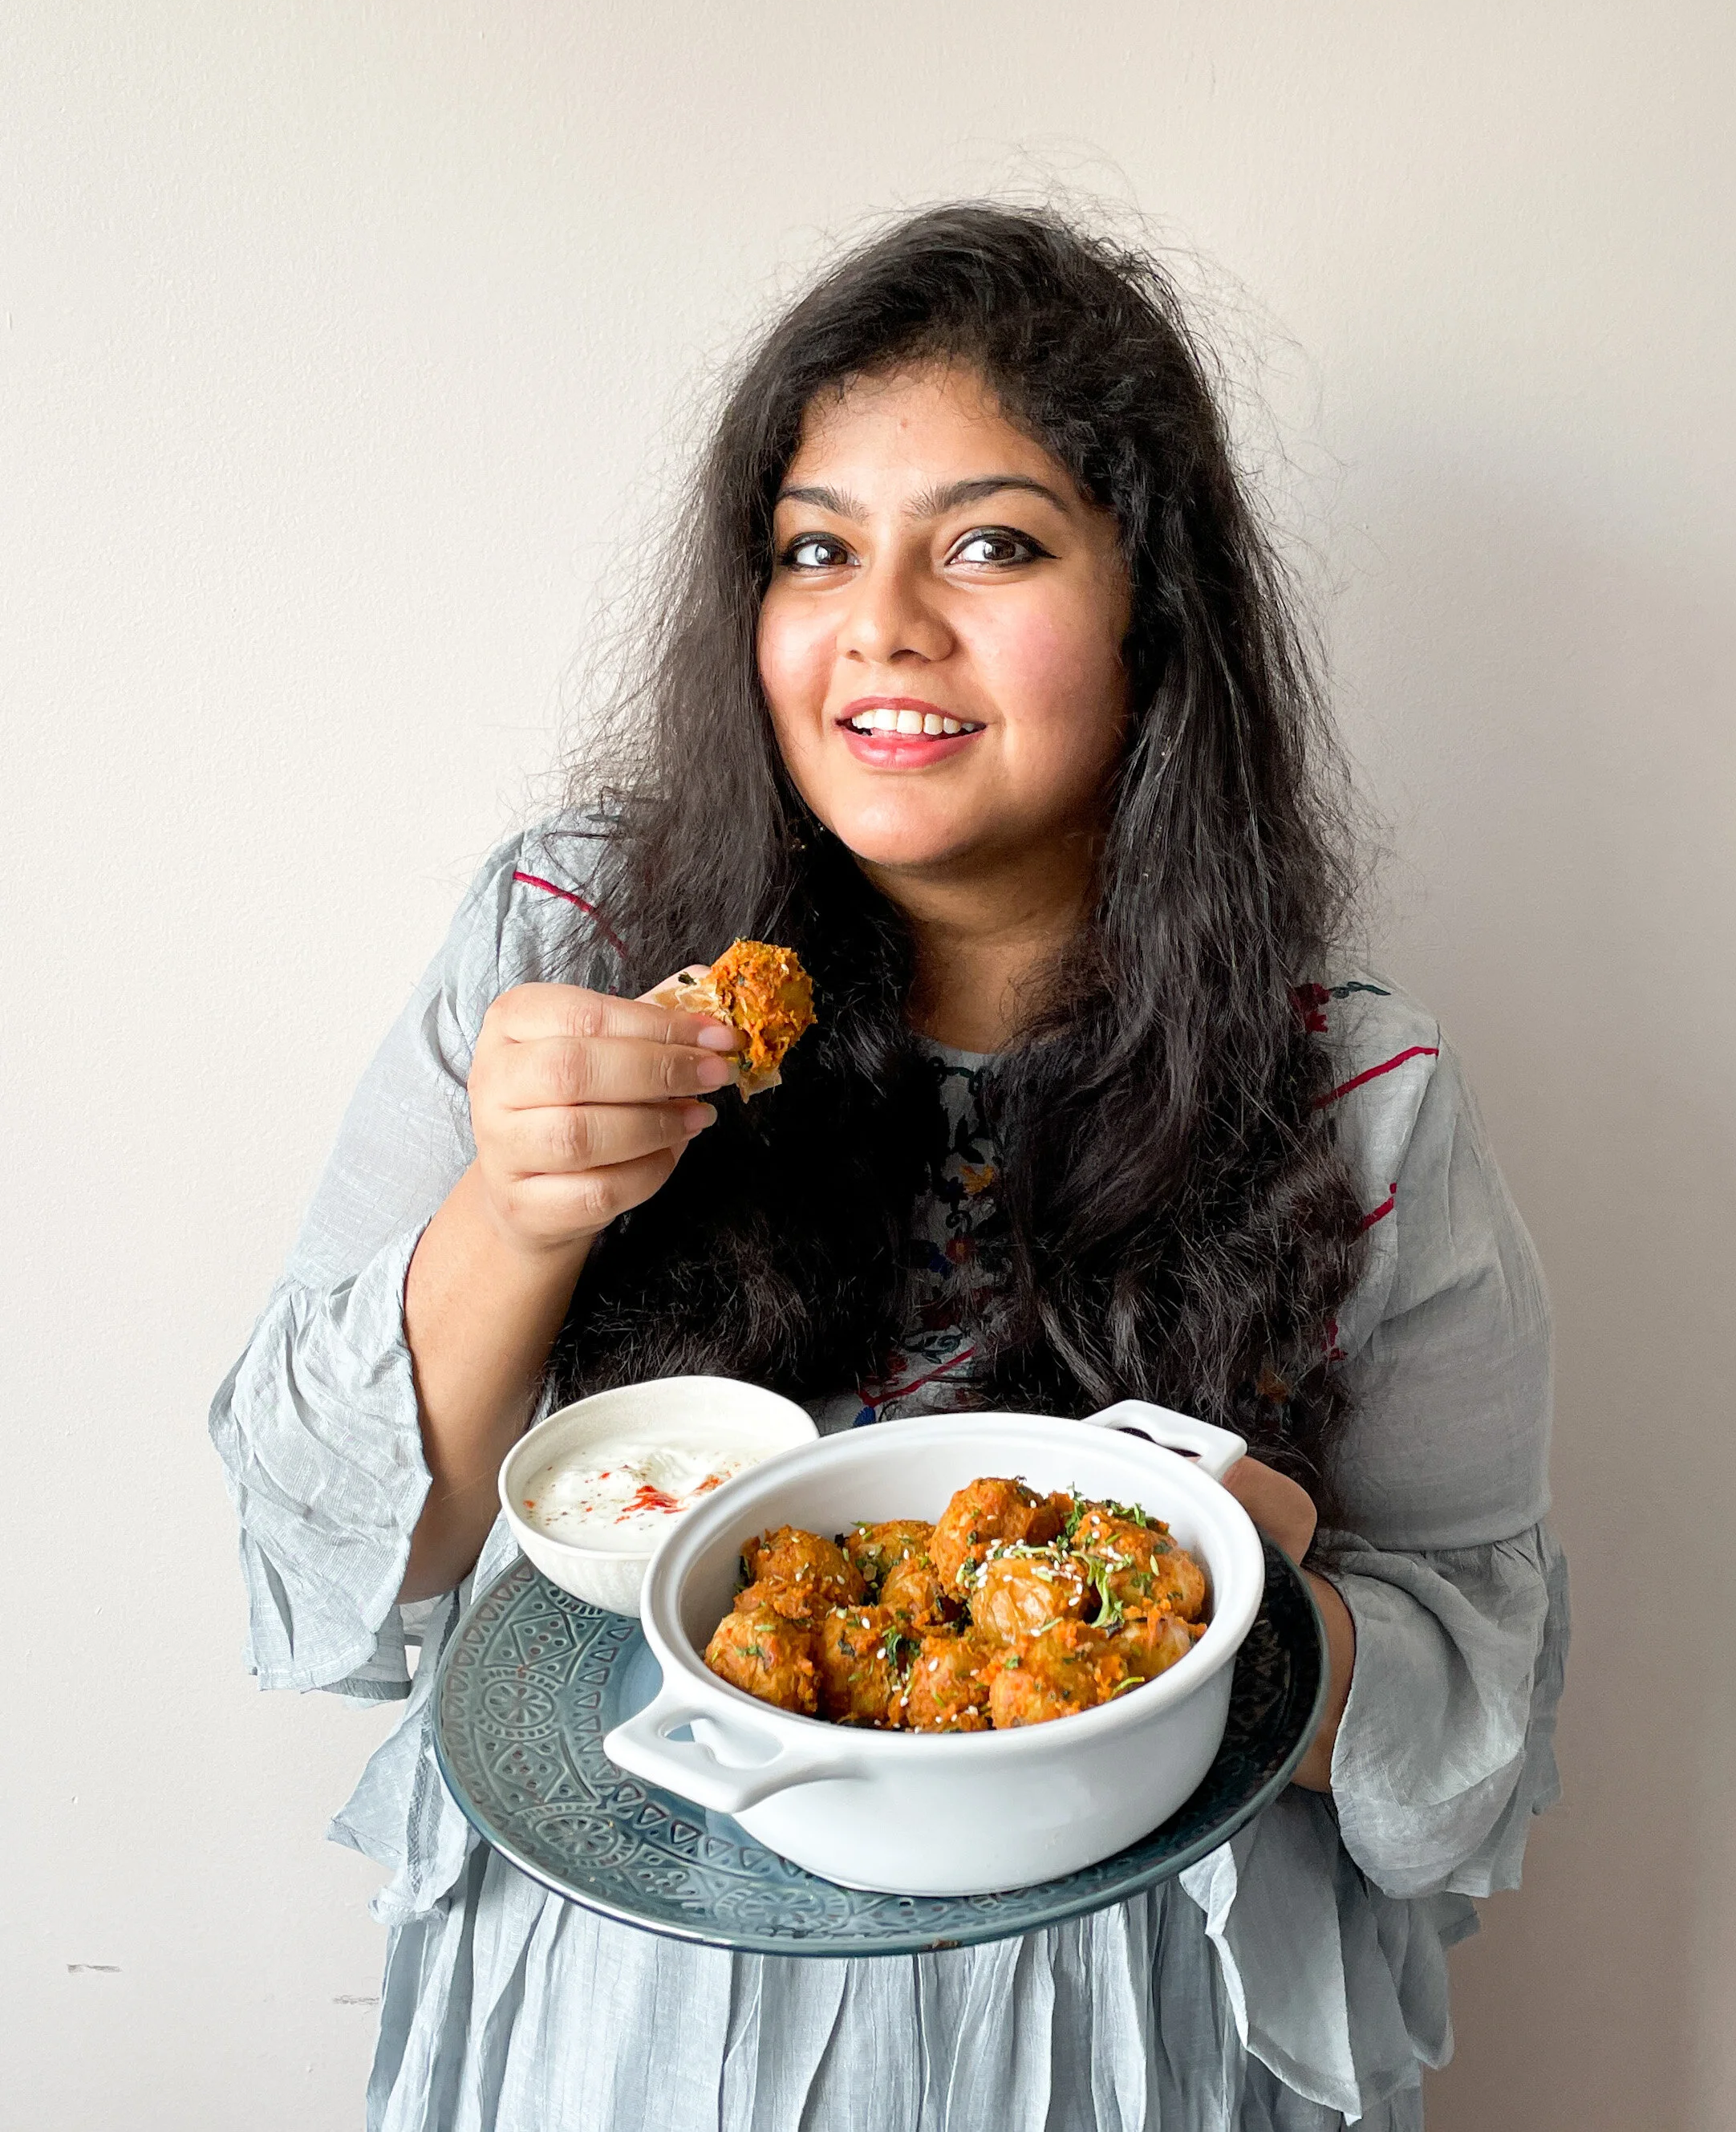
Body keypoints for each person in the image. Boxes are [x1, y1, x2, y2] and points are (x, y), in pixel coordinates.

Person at [211, 205, 1566, 2132]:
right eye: (813, 549)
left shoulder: (1353, 1097)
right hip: (620, 2009)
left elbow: (1472, 1724)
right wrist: (513, 1211)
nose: (880, 626)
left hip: (1119, 2051)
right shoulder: (567, 941)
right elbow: (338, 1571)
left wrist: (1238, 1599)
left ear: (1147, 608)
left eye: (990, 544)